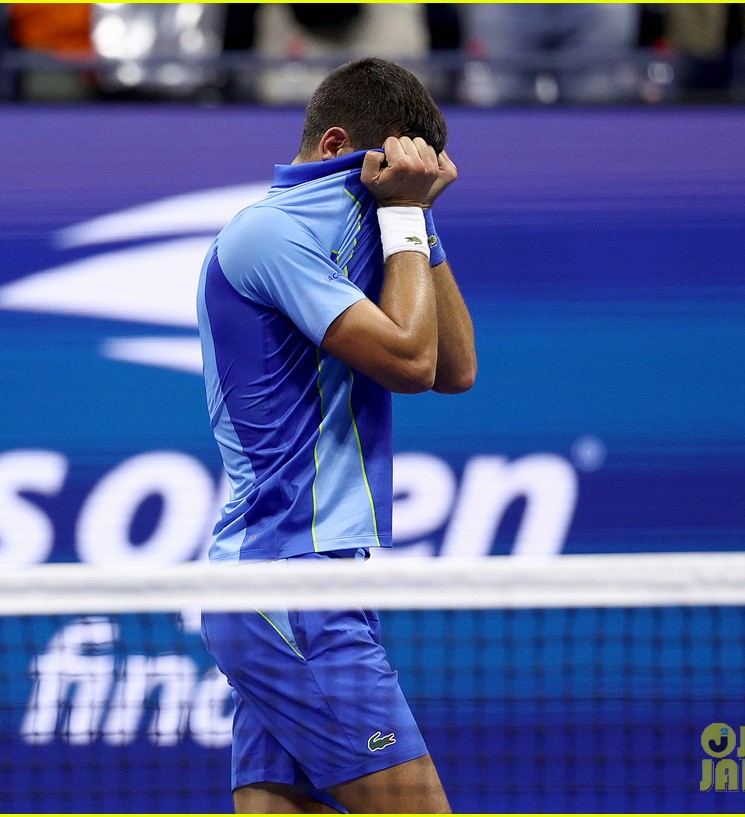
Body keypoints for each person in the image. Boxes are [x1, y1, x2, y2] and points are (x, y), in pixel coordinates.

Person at [195, 57, 476, 813]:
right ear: (335, 147)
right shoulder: (268, 233)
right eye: (375, 175)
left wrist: (417, 218)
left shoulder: (380, 219)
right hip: (286, 584)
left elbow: (456, 368)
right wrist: (405, 216)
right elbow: (411, 363)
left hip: (321, 580)